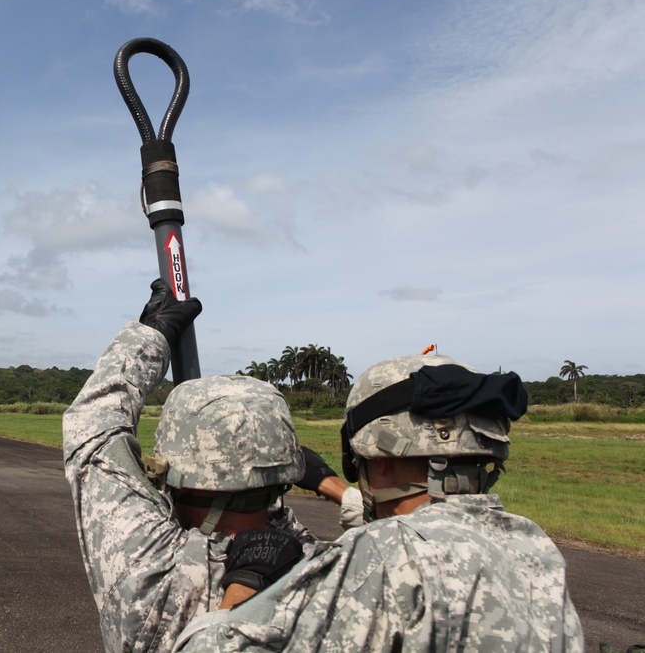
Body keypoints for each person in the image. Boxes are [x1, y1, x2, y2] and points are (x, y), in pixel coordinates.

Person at [173, 353, 584, 652]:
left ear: (382, 463)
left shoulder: (387, 557)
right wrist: (334, 487)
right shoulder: (532, 546)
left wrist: (241, 587)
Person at [62, 280, 353, 653]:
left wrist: (152, 334)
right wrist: (334, 487)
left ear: (177, 479)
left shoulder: (152, 567)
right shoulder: (332, 573)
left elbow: (92, 429)